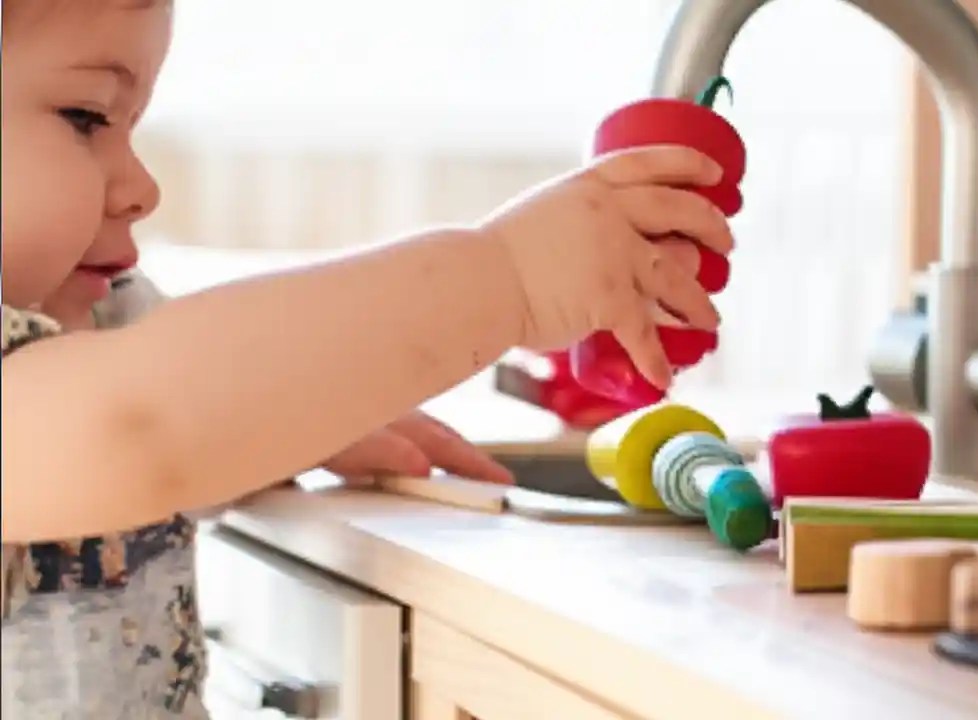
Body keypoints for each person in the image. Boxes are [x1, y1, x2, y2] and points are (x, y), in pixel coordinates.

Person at [0, 0, 734, 716]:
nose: (141, 187)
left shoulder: (98, 318)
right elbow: (137, 428)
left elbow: (183, 407)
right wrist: (505, 277)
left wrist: (291, 403)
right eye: (86, 117)